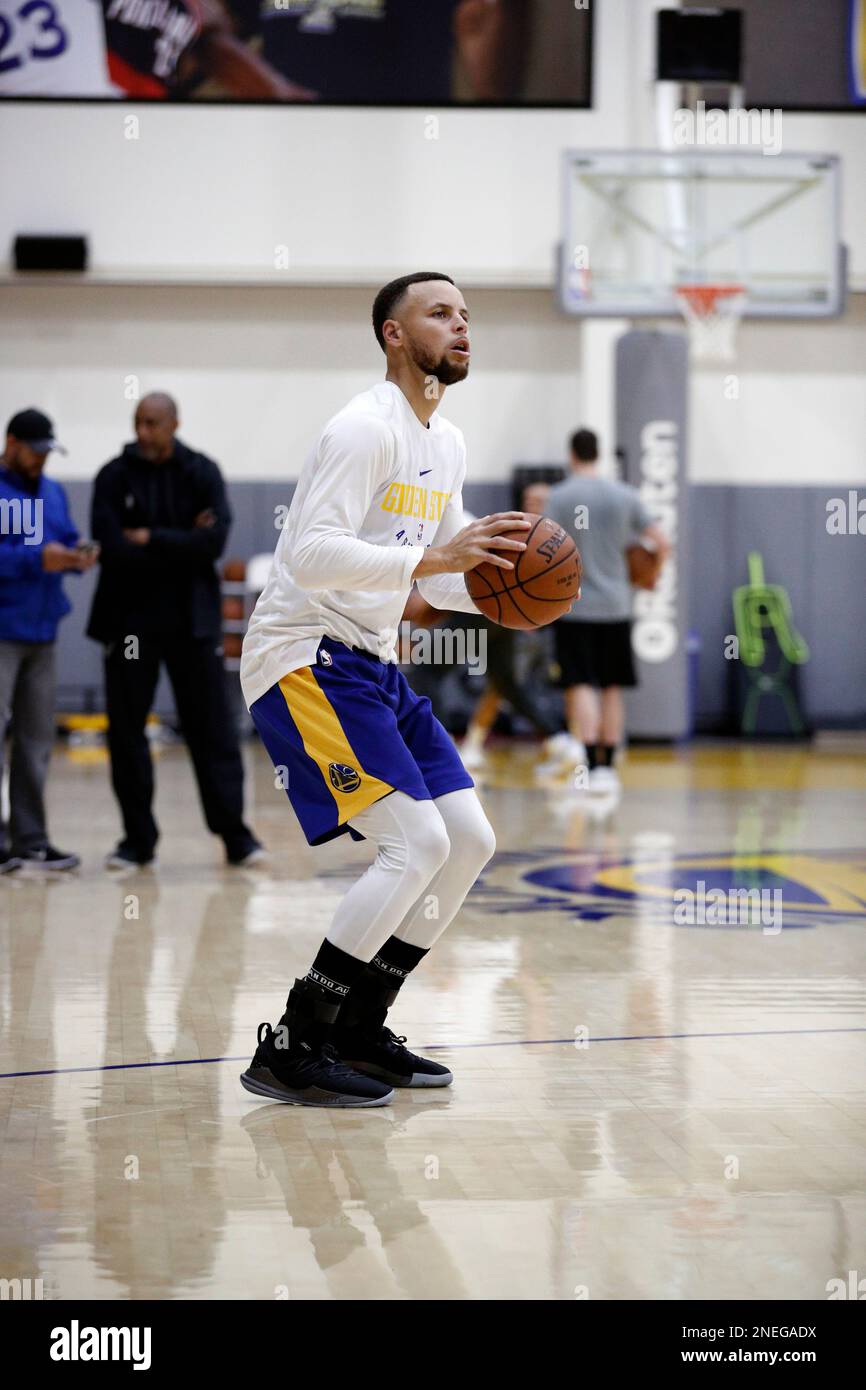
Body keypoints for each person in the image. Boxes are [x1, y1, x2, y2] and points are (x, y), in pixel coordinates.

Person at [239, 271, 530, 1107]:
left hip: (372, 659)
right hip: (303, 654)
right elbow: (310, 555)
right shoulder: (363, 429)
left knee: (468, 839)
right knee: (416, 845)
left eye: (467, 314)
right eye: (441, 314)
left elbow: (439, 580)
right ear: (394, 336)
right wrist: (437, 560)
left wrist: (503, 597)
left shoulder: (449, 443)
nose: (462, 326)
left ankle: (362, 1025)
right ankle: (295, 1044)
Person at [88, 392, 264, 869]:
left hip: (192, 622)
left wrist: (148, 536)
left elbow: (212, 542)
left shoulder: (201, 471)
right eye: (138, 422)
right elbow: (111, 546)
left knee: (213, 731)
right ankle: (136, 842)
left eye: (153, 423)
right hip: (128, 625)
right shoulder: (113, 475)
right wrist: (178, 540)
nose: (144, 432)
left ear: (174, 423)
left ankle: (236, 837)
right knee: (126, 733)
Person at [540, 428, 671, 790]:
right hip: (616, 605)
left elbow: (540, 547)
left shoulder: (560, 497)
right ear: (599, 455)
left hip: (573, 605)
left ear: (572, 455)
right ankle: (606, 770)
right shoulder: (625, 496)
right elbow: (662, 542)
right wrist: (652, 573)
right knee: (612, 687)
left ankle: (585, 763)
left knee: (580, 684)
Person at [0, 409, 98, 872]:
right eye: (34, 451)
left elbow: (65, 539)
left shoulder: (53, 493)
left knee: (36, 741)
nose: (40, 460)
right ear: (11, 442)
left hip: (43, 633)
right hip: (3, 631)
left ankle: (30, 841)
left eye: (46, 453)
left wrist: (78, 555)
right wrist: (39, 558)